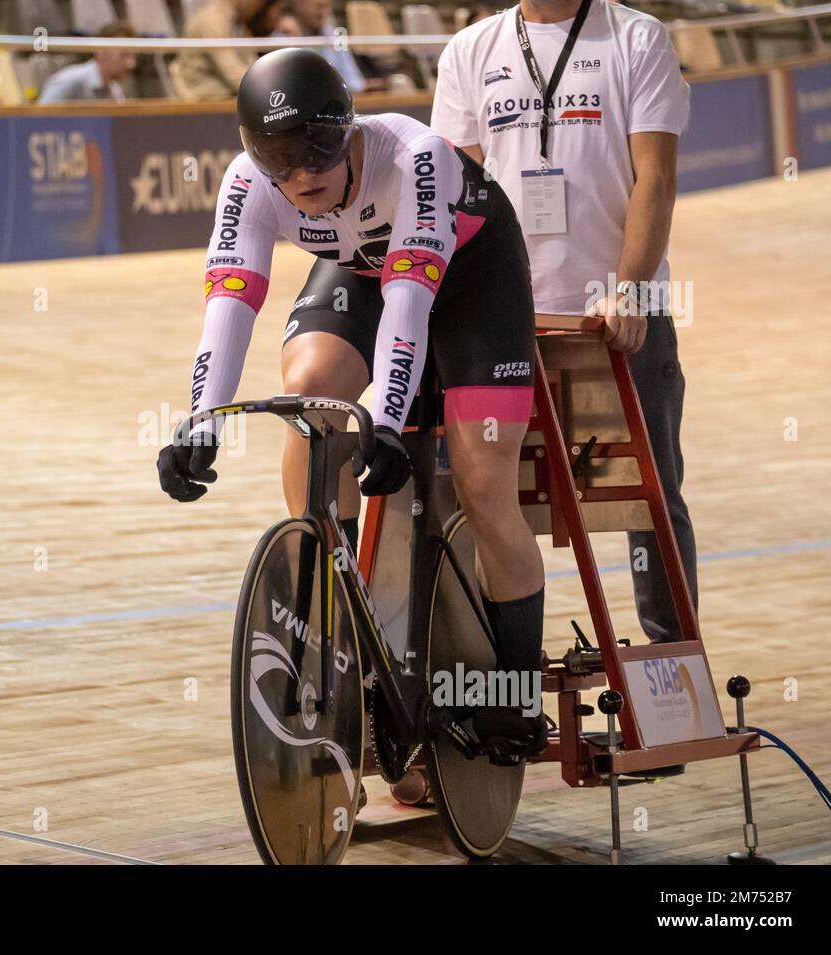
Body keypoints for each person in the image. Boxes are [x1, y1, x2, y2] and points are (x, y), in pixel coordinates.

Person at [157, 49, 548, 757]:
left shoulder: (415, 158)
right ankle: (332, 596)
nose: (302, 173)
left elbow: (412, 303)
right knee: (309, 395)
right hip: (365, 267)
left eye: (319, 148)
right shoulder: (249, 183)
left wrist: (389, 424)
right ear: (253, 152)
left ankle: (514, 692)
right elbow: (229, 304)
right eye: (281, 155)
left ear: (348, 132)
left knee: (484, 480)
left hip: (468, 278)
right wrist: (201, 419)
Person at [432, 0, 695, 647]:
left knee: (651, 501)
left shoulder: (638, 38)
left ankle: (674, 666)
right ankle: (483, 671)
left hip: (616, 318)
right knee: (470, 493)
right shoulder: (469, 50)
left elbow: (655, 179)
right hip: (503, 319)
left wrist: (627, 289)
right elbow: (454, 193)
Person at [274, 0, 382, 94]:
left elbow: (353, 79)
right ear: (298, 4)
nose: (323, 13)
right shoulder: (282, 34)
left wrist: (364, 87)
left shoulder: (333, 34)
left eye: (327, 6)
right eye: (319, 6)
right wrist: (297, 43)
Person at [172, 0, 265, 101]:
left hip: (227, 95)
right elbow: (231, 71)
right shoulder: (211, 19)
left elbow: (251, 63)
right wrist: (264, 91)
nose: (259, 6)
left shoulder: (236, 21)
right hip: (205, 100)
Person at [37, 21, 136, 104]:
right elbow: (37, 121)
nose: (131, 63)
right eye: (124, 55)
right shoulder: (70, 80)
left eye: (132, 56)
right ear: (101, 52)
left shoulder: (114, 90)